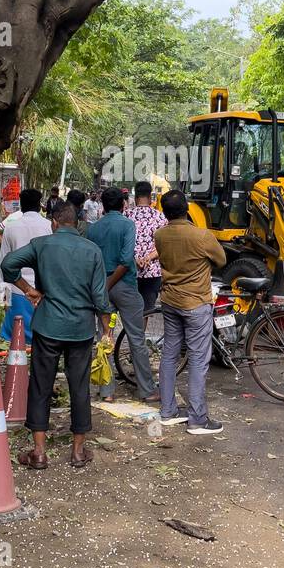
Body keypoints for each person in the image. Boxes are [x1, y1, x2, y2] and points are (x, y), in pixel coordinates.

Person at [0, 201, 110, 469]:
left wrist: (28, 290)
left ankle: (38, 452)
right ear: (77, 223)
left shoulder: (42, 244)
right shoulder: (92, 250)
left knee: (40, 387)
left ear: (55, 222)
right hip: (80, 329)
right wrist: (106, 331)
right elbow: (101, 298)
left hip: (48, 325)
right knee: (79, 387)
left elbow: (9, 264)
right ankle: (78, 451)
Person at [155, 189, 227, 435]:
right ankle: (197, 419)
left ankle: (168, 412)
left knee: (169, 354)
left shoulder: (160, 235)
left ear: (164, 212)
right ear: (186, 208)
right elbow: (221, 260)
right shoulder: (202, 236)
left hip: (169, 301)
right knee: (197, 359)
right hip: (195, 303)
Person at [86, 187, 159, 402]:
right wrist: (111, 283)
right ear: (123, 204)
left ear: (103, 206)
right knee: (136, 338)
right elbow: (127, 260)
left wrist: (103, 286)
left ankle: (107, 392)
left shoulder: (94, 229)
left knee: (104, 338)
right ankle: (147, 390)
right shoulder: (128, 225)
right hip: (125, 286)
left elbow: (92, 261)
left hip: (101, 289)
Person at [0, 188, 52, 344]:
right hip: (43, 292)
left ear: (21, 205)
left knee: (16, 342)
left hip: (17, 291)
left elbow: (4, 264)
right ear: (40, 205)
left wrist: (3, 300)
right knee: (42, 341)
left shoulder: (11, 228)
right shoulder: (49, 227)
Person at [125, 179, 167, 314]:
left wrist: (135, 258)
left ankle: (128, 335)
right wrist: (149, 257)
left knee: (129, 309)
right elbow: (163, 245)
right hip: (152, 272)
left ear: (136, 197)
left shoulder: (126, 216)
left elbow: (122, 244)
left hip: (129, 270)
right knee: (146, 311)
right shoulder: (160, 217)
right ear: (150, 197)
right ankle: (140, 335)